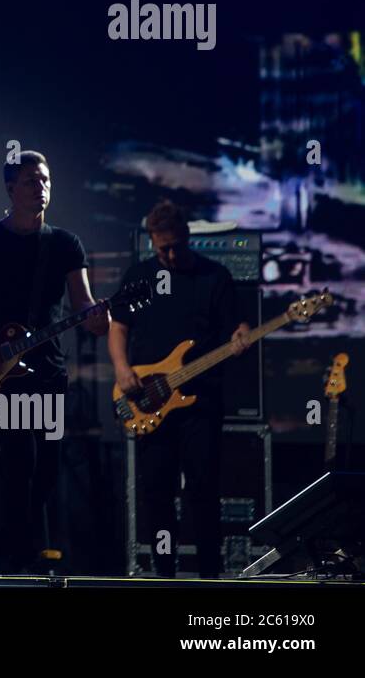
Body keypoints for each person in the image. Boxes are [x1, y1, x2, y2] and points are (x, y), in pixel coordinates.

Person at [0, 150, 107, 573]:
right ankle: (12, 558)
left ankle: (45, 554)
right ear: (10, 189)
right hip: (2, 373)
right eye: (31, 181)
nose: (41, 188)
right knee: (15, 461)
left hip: (50, 370)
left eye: (45, 181)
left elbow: (85, 306)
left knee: (50, 465)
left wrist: (99, 319)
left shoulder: (64, 244)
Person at [109, 200, 251, 578]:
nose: (169, 255)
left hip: (200, 401)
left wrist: (240, 336)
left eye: (175, 246)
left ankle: (209, 574)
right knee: (156, 492)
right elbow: (118, 326)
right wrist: (123, 369)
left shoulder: (215, 277)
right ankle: (164, 572)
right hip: (150, 401)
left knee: (203, 490)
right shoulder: (139, 276)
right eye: (162, 249)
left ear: (188, 237)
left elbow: (234, 329)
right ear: (152, 243)